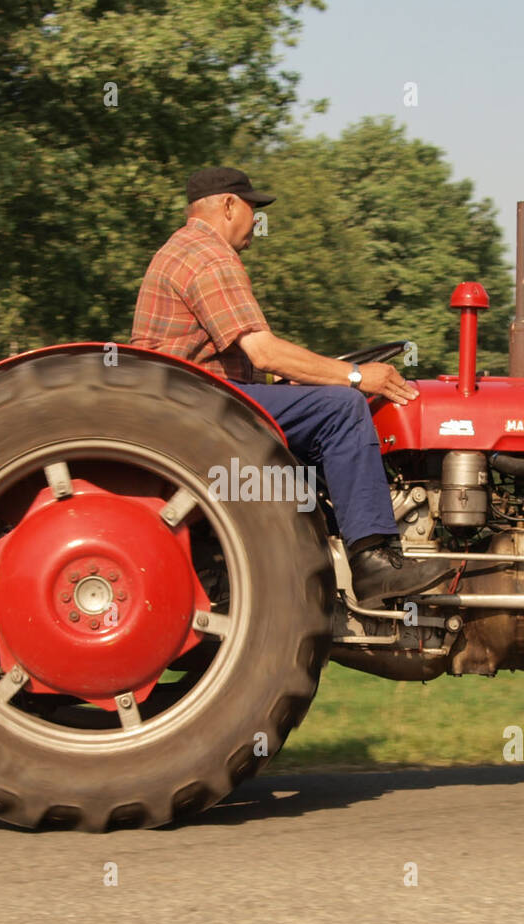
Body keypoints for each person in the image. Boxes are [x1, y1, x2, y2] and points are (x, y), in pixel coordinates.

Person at [131, 167, 454, 607]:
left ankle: (327, 545)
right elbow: (264, 351)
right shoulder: (209, 255)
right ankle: (373, 558)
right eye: (253, 208)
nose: (257, 222)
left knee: (320, 403)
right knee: (342, 409)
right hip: (199, 407)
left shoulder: (179, 250)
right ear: (228, 205)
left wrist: (287, 380)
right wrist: (359, 377)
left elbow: (237, 359)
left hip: (187, 401)